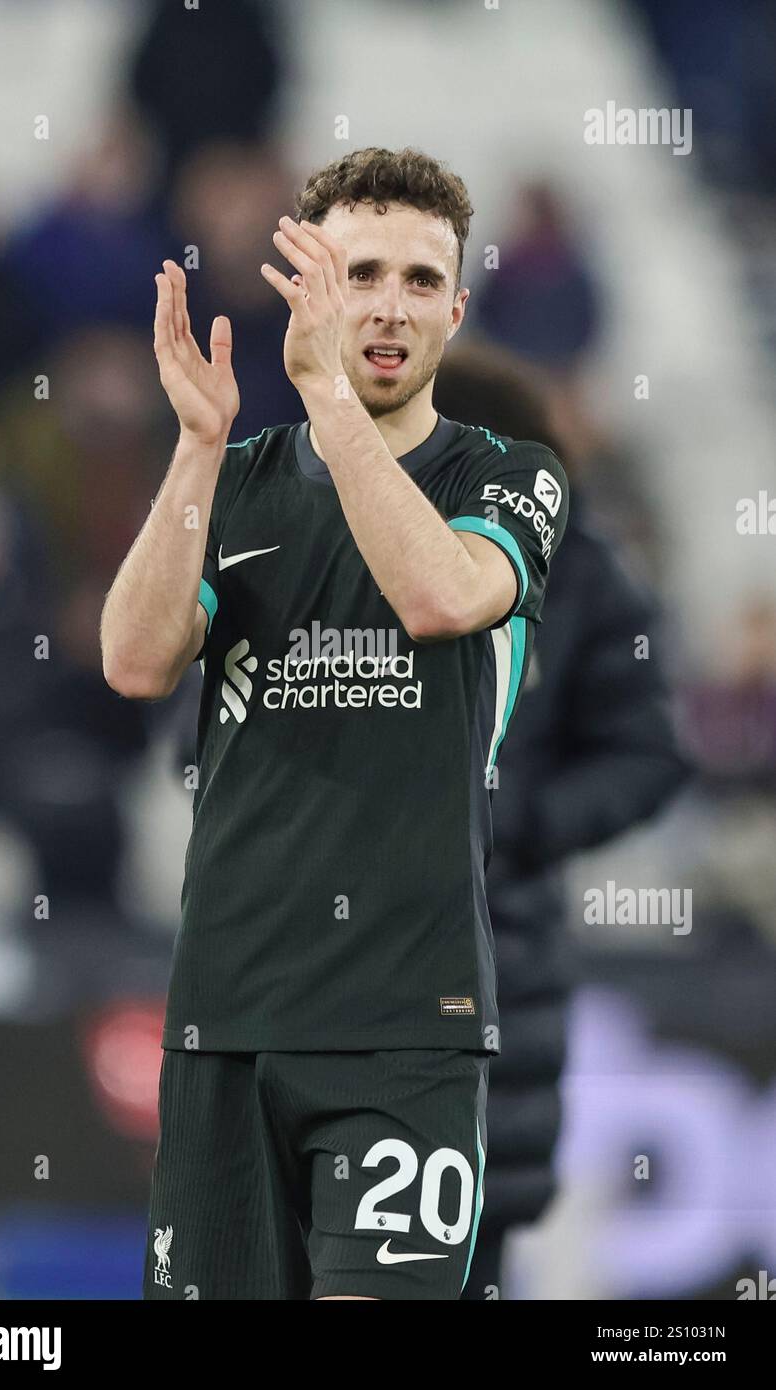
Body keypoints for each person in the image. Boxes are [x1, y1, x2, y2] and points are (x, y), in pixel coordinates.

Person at [101, 147, 569, 1301]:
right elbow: (134, 657)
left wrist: (319, 395)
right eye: (361, 273)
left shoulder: (509, 476)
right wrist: (198, 449)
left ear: (456, 309)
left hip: (407, 1027)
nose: (391, 307)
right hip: (227, 1019)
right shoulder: (243, 481)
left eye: (421, 281)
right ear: (310, 286)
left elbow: (441, 596)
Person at [433, 342, 690, 1298]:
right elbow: (196, 736)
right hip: (319, 969)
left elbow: (651, 751)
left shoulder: (579, 572)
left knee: (471, 1240)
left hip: (499, 961)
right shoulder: (323, 537)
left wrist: (518, 823)